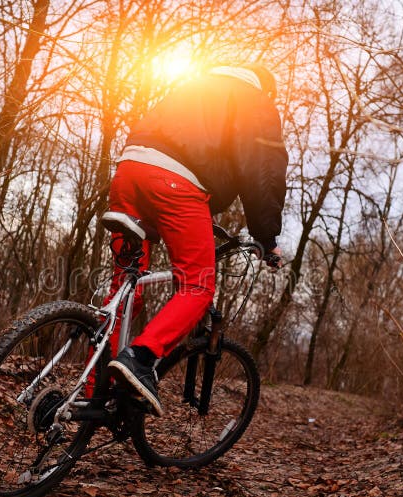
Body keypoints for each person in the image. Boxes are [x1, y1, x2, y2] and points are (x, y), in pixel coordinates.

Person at [105, 64, 288, 416]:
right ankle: (141, 358)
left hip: (129, 171)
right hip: (175, 184)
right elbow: (263, 172)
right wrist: (266, 237)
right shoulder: (255, 100)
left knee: (126, 291)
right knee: (198, 286)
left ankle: (93, 393)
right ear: (265, 86)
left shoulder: (190, 87)